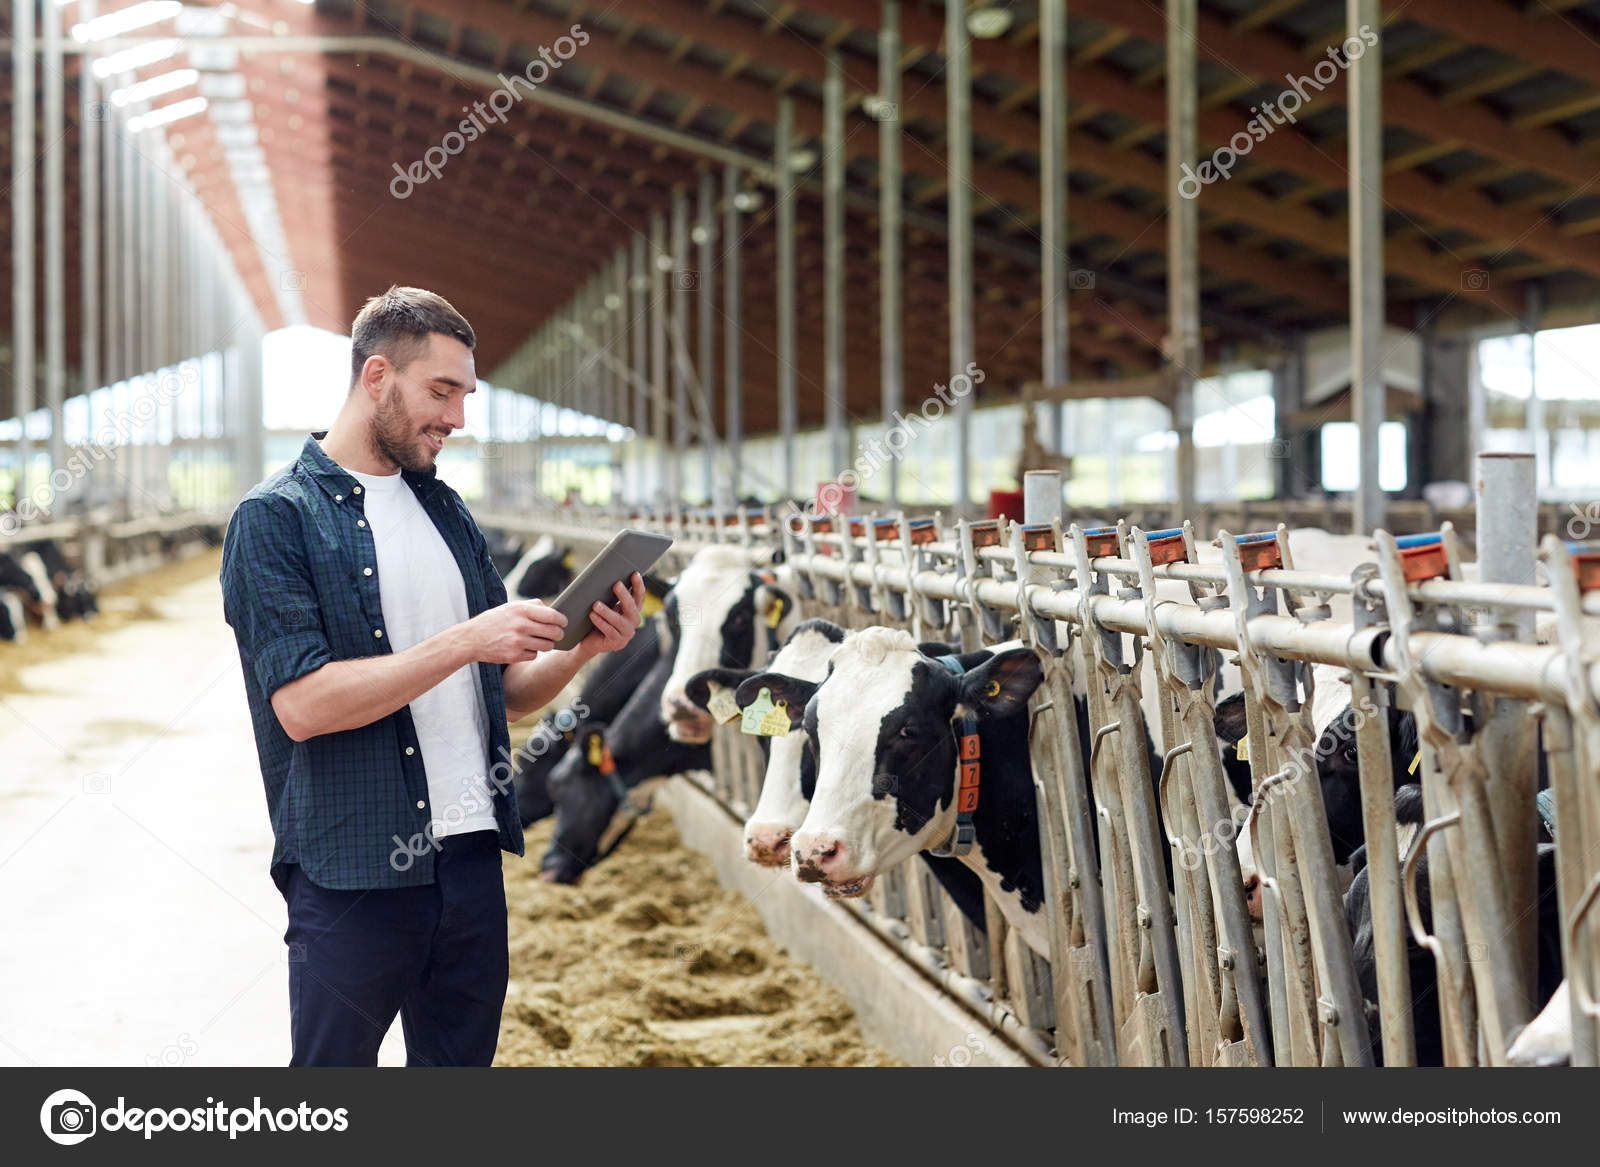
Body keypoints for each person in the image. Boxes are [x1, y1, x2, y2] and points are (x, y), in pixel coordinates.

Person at [220, 286, 643, 1066]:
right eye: (440, 391)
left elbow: (504, 695)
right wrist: (461, 641)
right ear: (376, 375)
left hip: (471, 859)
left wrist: (582, 650)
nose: (456, 417)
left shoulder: (448, 513)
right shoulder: (276, 518)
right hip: (353, 872)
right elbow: (305, 707)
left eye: (464, 395)